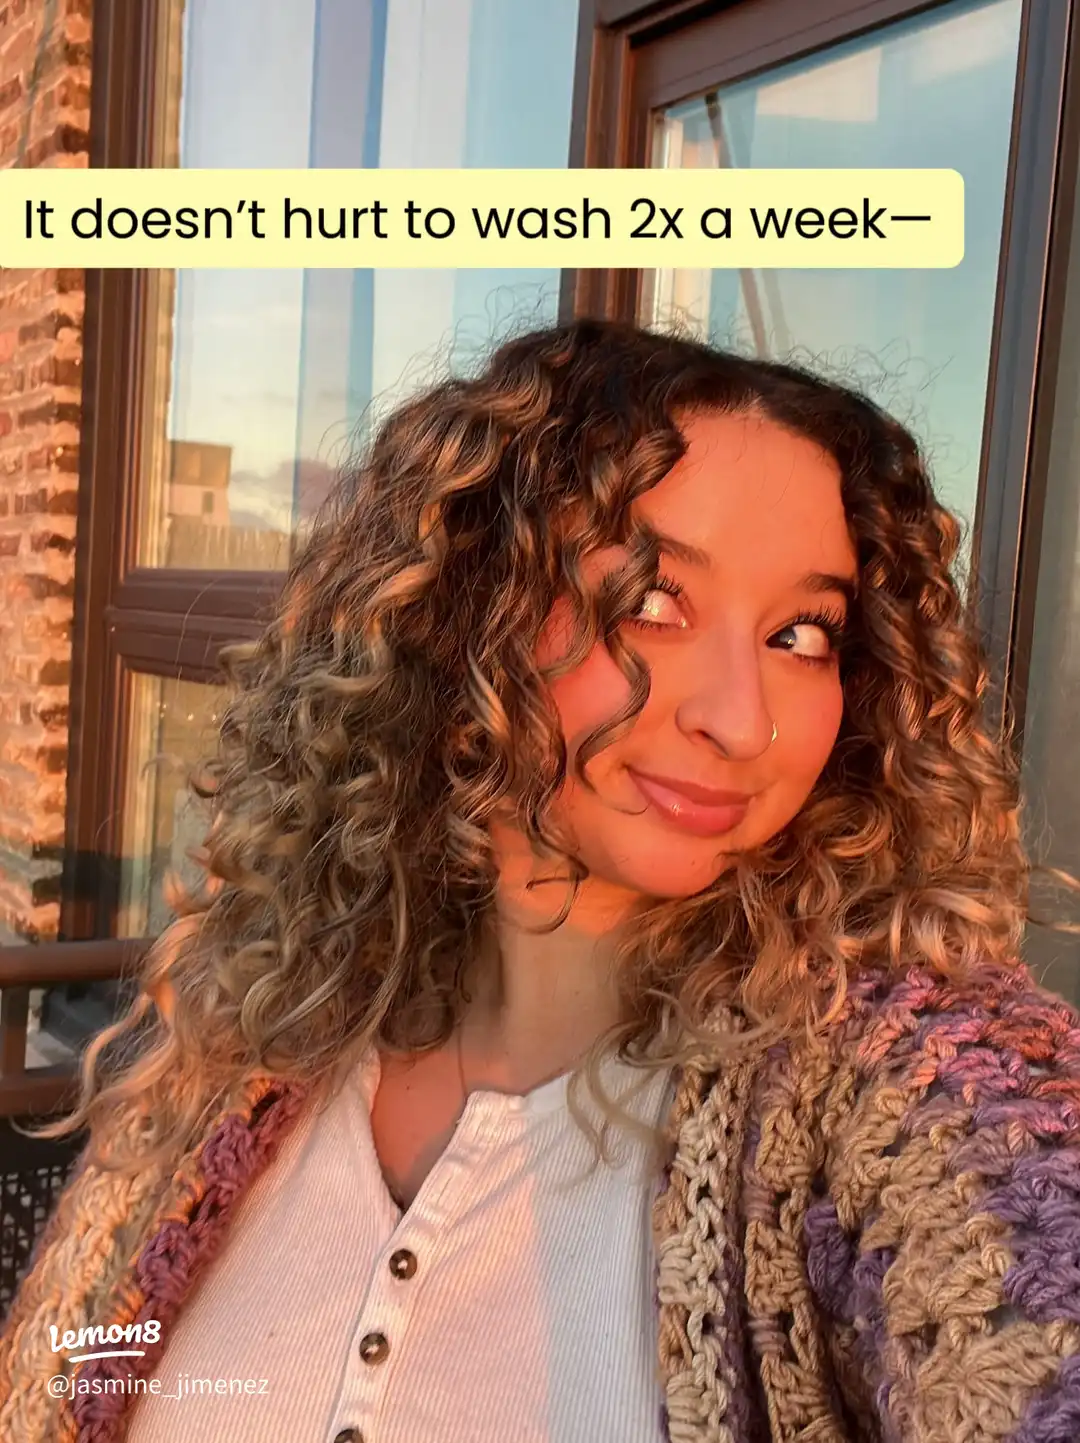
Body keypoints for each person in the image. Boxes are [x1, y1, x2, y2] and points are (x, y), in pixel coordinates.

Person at [1, 318, 1078, 1443]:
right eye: (652, 603)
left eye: (802, 634)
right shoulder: (260, 1040)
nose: (741, 717)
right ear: (467, 612)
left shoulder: (895, 1083)